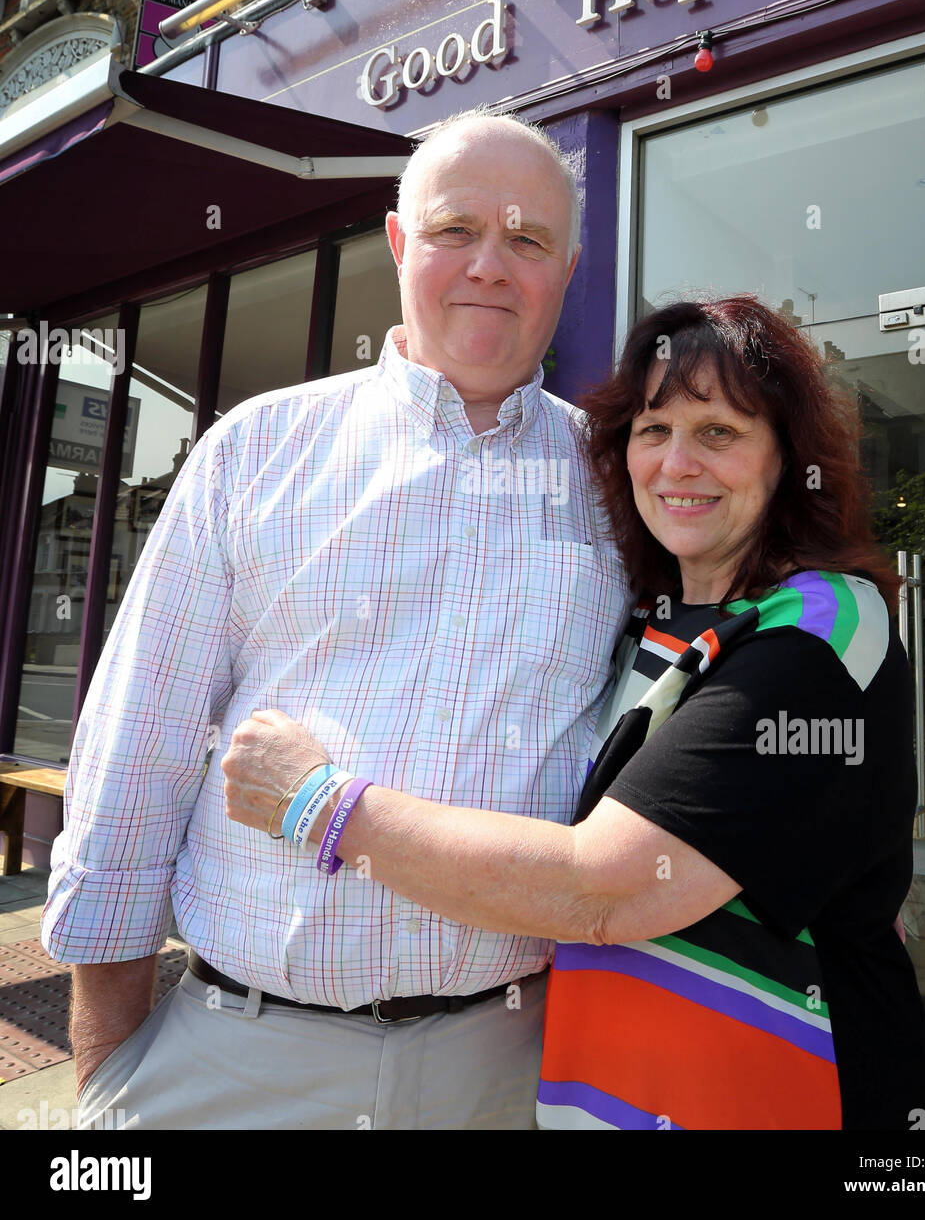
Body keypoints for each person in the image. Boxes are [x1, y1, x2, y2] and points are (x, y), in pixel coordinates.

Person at [41, 108, 632, 1130]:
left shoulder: (621, 489)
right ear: (400, 244)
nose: (491, 264)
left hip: (513, 1070)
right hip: (238, 1064)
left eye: (527, 238)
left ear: (567, 270)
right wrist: (109, 1076)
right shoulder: (255, 450)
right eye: (456, 230)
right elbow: (138, 751)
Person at [224, 296, 925, 1130]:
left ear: (787, 458)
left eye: (719, 432)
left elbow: (606, 888)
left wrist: (320, 804)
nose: (677, 462)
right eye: (652, 429)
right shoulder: (646, 622)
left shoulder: (823, 628)